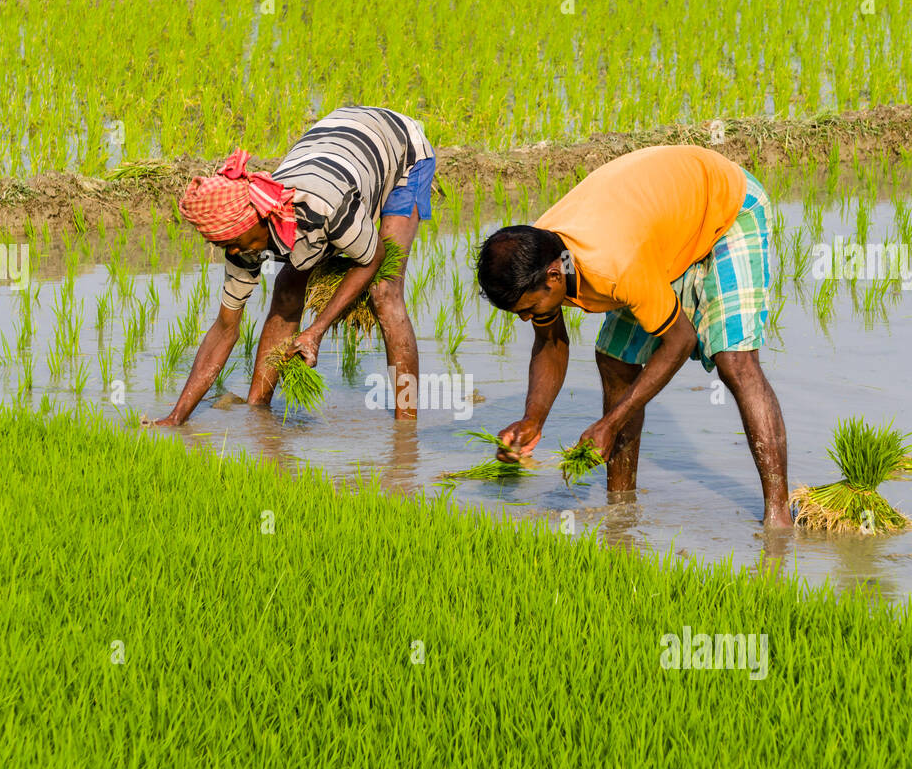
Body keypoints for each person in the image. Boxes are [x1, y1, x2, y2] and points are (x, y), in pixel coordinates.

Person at [475, 145, 792, 527]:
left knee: (735, 361)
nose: (528, 319)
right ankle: (620, 512)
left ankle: (778, 518)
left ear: (554, 277)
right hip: (660, 223)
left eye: (528, 309)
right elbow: (550, 341)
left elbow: (681, 339)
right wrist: (532, 419)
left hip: (726, 206)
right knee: (615, 359)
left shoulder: (614, 267)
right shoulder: (540, 252)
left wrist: (609, 423)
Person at [157, 105, 435, 424]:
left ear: (259, 219)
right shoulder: (238, 244)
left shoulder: (325, 206)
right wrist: (175, 418)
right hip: (335, 145)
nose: (232, 250)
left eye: (233, 241)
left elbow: (374, 258)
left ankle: (406, 428)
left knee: (384, 292)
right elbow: (224, 329)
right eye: (223, 245)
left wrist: (315, 331)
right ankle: (258, 413)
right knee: (287, 289)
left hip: (399, 148)